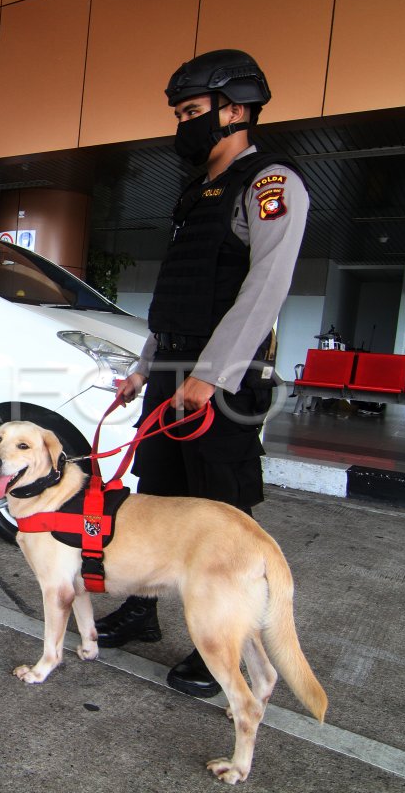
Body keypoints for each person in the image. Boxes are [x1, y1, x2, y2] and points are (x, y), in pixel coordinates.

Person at [95, 49, 309, 698]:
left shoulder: (270, 184)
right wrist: (143, 370)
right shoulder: (196, 195)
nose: (183, 124)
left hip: (222, 379)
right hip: (173, 372)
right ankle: (142, 610)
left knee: (218, 513)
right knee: (155, 500)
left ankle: (229, 641)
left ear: (236, 110)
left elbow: (264, 289)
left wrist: (210, 376)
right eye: (180, 113)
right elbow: (178, 297)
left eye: (192, 112)